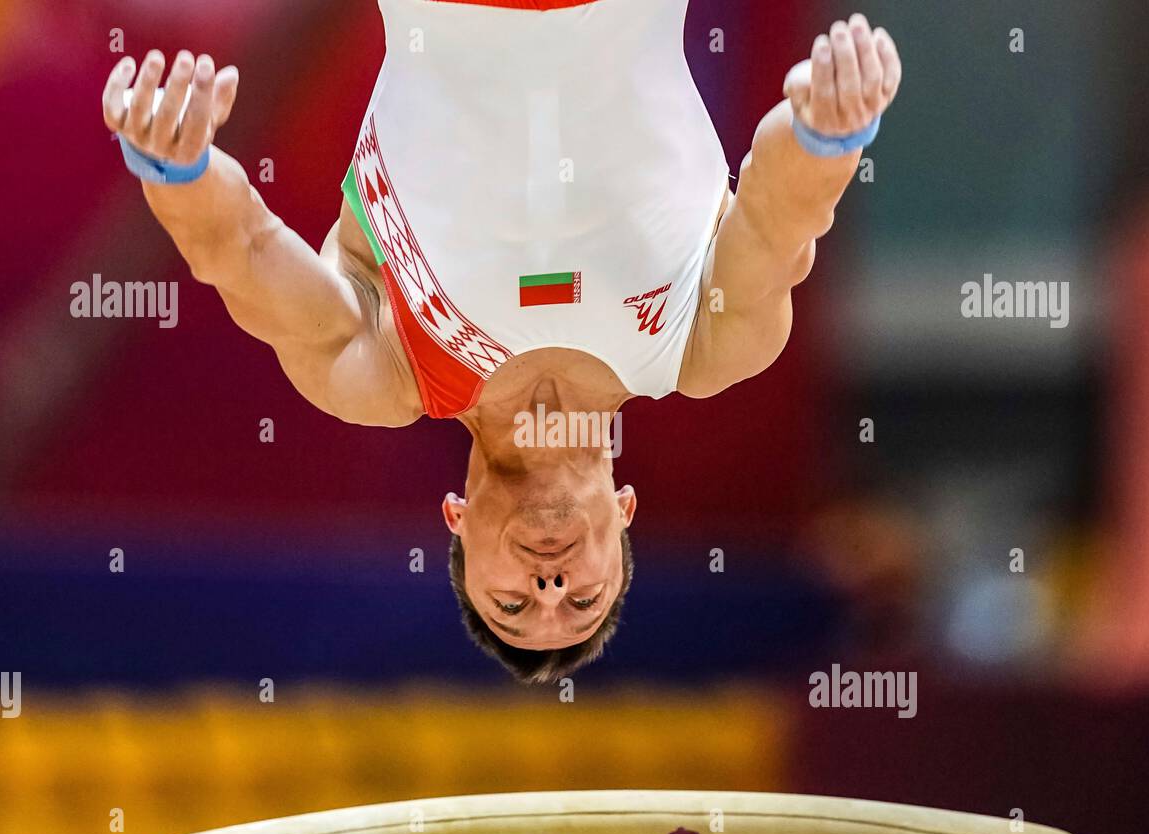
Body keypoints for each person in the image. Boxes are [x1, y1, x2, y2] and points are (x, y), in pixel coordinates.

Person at [99, 3, 901, 682]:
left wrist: (175, 169)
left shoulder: (381, 370)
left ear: (455, 520)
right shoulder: (704, 345)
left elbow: (243, 252)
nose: (548, 585)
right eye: (581, 598)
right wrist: (827, 134)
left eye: (512, 603)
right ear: (624, 519)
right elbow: (778, 221)